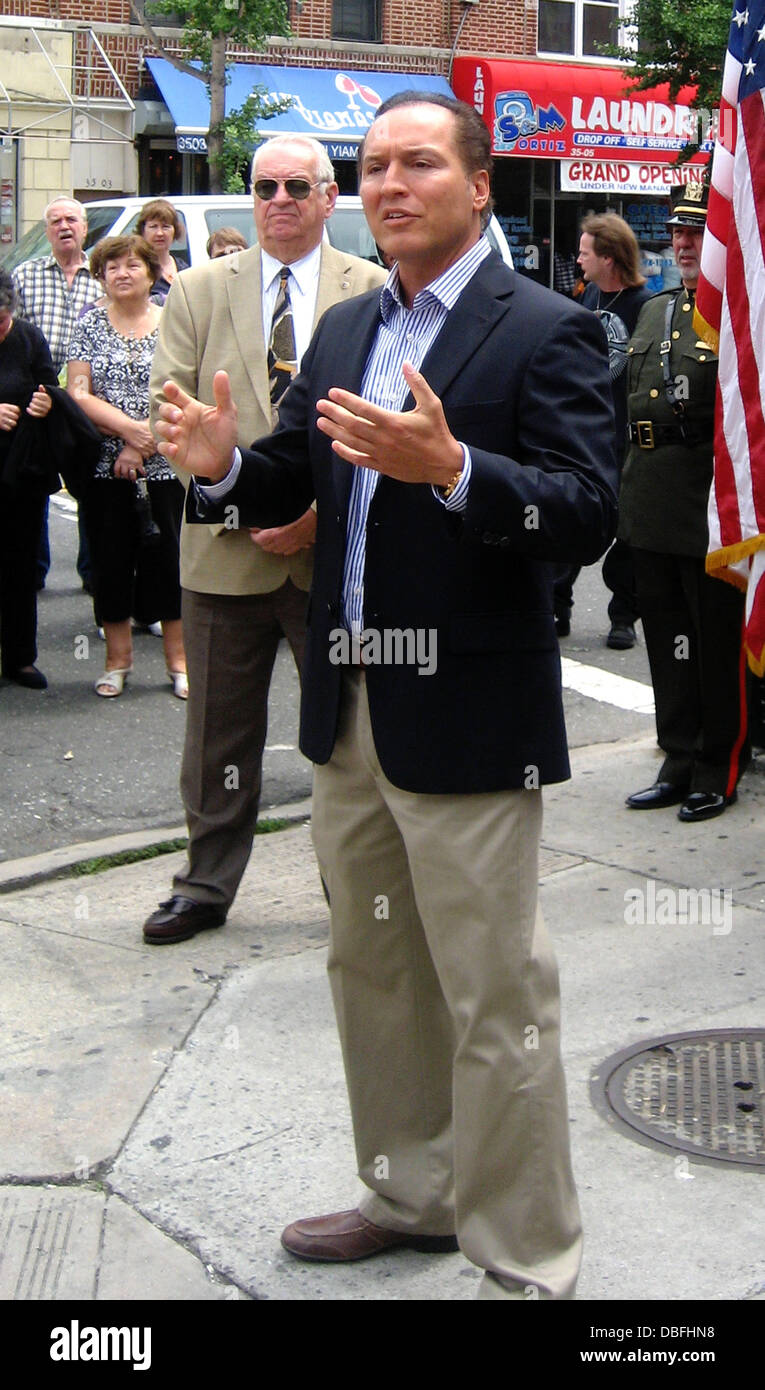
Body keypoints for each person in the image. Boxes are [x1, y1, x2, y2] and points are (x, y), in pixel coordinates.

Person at [155, 92, 617, 1298]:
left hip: (466, 714)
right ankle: (411, 1191)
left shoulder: (548, 328)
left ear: (478, 186)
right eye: (373, 166)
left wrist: (458, 467)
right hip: (350, 703)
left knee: (494, 995)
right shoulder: (353, 329)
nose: (390, 184)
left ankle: (526, 1254)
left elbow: (584, 507)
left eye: (419, 162)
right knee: (372, 969)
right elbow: (290, 463)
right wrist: (221, 469)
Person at [141, 134, 385, 945]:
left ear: (327, 197)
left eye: (296, 186)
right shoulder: (199, 289)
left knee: (347, 737)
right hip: (222, 555)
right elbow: (168, 415)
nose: (278, 199)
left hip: (334, 556)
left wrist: (316, 515)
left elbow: (380, 426)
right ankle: (204, 884)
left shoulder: (374, 291)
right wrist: (238, 501)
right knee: (217, 736)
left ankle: (350, 888)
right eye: (264, 186)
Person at [620, 182, 748, 823]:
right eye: (678, 232)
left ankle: (717, 763)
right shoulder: (654, 310)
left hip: (710, 505)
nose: (685, 242)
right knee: (668, 637)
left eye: (698, 232)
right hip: (651, 500)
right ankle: (676, 755)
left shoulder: (741, 315)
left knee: (715, 641)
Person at [66, 235, 187, 698]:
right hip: (103, 467)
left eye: (131, 264)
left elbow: (183, 386)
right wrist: (128, 435)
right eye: (110, 266)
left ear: (150, 272)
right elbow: (78, 393)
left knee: (170, 561)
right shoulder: (89, 325)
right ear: (101, 276)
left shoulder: (173, 320)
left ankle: (179, 662)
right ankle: (117, 662)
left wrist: (145, 442)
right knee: (110, 560)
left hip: (167, 462)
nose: (121, 273)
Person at [553, 213, 652, 646]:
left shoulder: (647, 306)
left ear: (608, 258)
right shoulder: (588, 296)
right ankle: (558, 607)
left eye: (585, 252)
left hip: (629, 441)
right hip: (587, 435)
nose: (578, 260)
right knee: (572, 521)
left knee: (628, 531)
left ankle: (624, 616)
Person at [12, 196, 100, 593]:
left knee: (89, 482)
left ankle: (92, 572)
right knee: (37, 481)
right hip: (40, 397)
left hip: (87, 398)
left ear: (84, 227)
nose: (64, 227)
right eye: (55, 221)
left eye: (71, 220)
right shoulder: (25, 275)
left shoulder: (102, 271)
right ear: (47, 230)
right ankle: (32, 572)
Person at [0, 269, 57, 689]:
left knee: (20, 565)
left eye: (2, 320)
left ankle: (20, 657)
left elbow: (50, 385)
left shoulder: (28, 336)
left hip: (22, 470)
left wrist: (43, 400)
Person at [135, 199, 189, 302]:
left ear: (175, 231)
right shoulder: (137, 269)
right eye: (153, 227)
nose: (160, 233)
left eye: (165, 227)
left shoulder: (184, 269)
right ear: (143, 230)